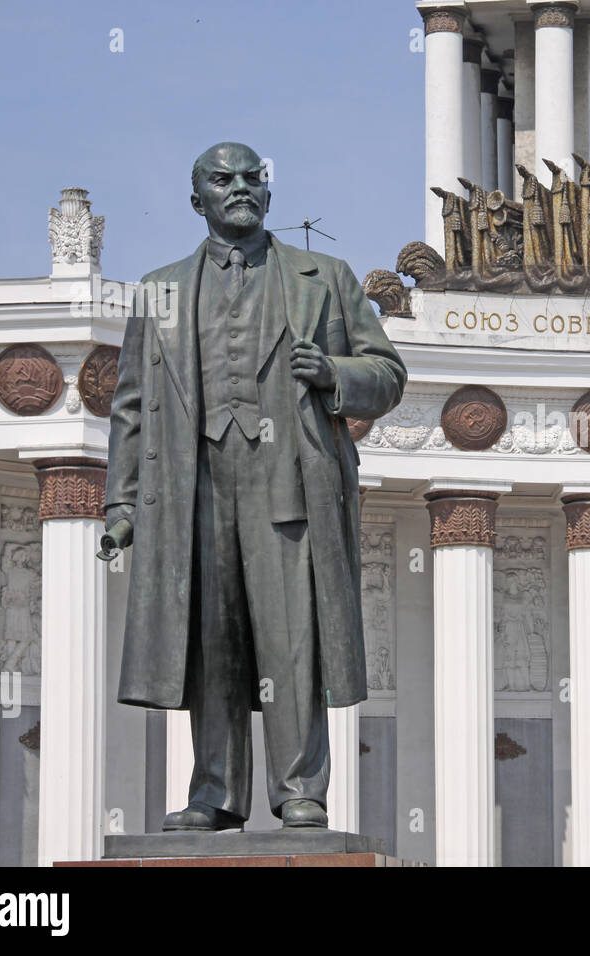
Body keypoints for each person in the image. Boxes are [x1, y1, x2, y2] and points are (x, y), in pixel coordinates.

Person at [102, 142, 406, 830]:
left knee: (291, 643)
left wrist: (333, 373)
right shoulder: (159, 290)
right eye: (223, 178)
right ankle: (215, 793)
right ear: (197, 199)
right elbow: (130, 406)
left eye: (251, 178)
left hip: (289, 491)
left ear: (267, 194)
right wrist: (121, 504)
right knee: (212, 645)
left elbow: (387, 374)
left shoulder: (323, 277)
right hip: (195, 491)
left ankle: (299, 787)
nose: (240, 187)